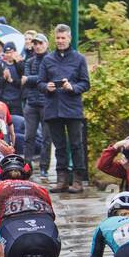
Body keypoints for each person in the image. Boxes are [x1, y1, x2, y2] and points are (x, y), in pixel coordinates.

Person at [38, 24, 90, 192]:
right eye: (58, 38)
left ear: (69, 38)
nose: (60, 41)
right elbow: (39, 82)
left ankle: (77, 179)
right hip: (53, 108)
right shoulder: (47, 59)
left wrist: (72, 87)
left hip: (73, 107)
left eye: (63, 38)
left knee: (76, 144)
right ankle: (62, 178)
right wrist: (47, 86)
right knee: (59, 146)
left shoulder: (79, 59)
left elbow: (86, 83)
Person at [21, 32, 51, 173]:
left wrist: (32, 79)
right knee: (29, 136)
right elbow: (25, 80)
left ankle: (44, 166)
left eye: (40, 43)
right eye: (35, 44)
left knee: (46, 138)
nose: (38, 46)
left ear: (46, 44)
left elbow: (47, 78)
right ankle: (27, 164)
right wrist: (39, 79)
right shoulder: (29, 61)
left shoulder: (51, 60)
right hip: (31, 102)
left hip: (47, 103)